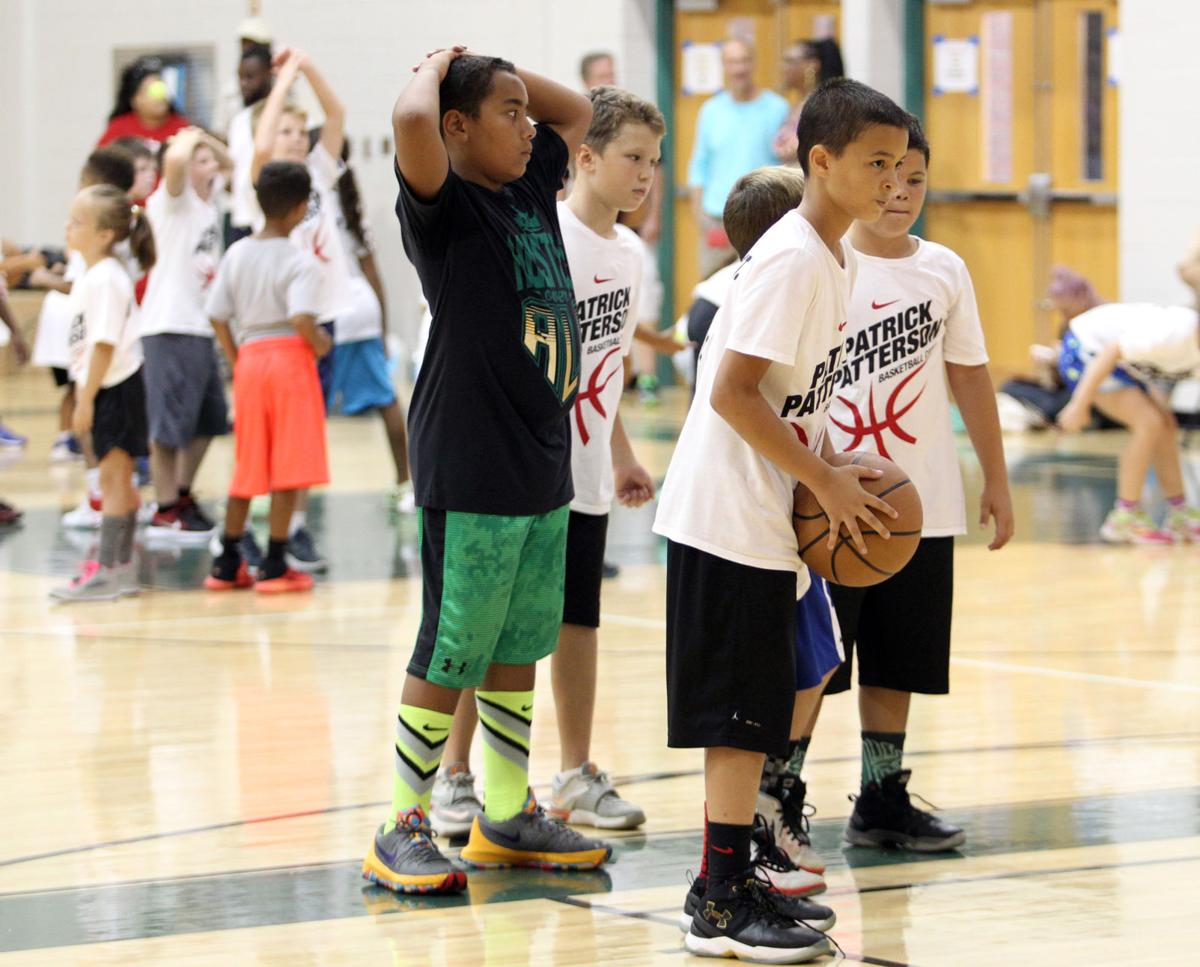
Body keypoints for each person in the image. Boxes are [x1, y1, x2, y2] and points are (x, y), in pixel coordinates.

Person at [653, 79, 910, 961]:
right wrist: (825, 485)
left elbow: (786, 398)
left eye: (899, 165)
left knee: (755, 711)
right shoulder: (796, 256)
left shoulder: (834, 259)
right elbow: (728, 393)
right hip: (726, 513)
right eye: (874, 163)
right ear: (821, 160)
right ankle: (718, 901)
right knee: (736, 719)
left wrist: (835, 463)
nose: (889, 180)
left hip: (763, 510)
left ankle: (729, 876)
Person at [360, 47, 605, 896]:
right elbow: (410, 121)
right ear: (458, 128)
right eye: (506, 113)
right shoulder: (446, 205)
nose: (526, 124)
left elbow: (578, 114)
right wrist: (440, 67)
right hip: (469, 455)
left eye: (519, 111)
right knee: (454, 642)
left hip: (543, 450)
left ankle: (505, 812)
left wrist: (502, 76)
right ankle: (403, 821)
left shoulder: (531, 186)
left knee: (519, 639)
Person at [773, 120, 1014, 865]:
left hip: (921, 504)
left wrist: (996, 478)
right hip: (831, 500)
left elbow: (970, 372)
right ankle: (778, 799)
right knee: (815, 662)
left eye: (915, 179)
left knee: (899, 659)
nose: (899, 192)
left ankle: (881, 797)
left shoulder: (943, 268)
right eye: (888, 175)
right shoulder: (821, 262)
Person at [428, 86, 664, 838]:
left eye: (655, 162)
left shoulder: (631, 256)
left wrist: (621, 453)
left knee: (576, 625)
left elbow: (605, 365)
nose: (645, 175)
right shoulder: (541, 231)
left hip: (584, 469)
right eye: (632, 157)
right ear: (584, 157)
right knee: (488, 632)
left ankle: (574, 771)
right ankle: (456, 775)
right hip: (515, 467)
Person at [204, 161, 330, 593]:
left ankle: (226, 561)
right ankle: (275, 565)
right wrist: (319, 343)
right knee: (289, 466)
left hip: (251, 359)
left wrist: (238, 355)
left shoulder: (237, 252)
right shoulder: (300, 261)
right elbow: (299, 316)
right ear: (300, 209)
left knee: (248, 462)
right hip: (290, 360)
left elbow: (217, 315)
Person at [251, 46, 351, 573]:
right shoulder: (264, 184)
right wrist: (282, 81)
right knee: (278, 432)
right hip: (280, 326)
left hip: (322, 312)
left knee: (308, 430)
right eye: (285, 132)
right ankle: (273, 523)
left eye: (298, 131)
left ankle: (296, 527)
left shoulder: (317, 173)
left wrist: (308, 65)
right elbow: (263, 141)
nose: (291, 139)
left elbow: (335, 115)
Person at [50, 186, 156, 601]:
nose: (67, 227)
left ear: (104, 234)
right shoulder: (93, 277)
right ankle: (121, 568)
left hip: (114, 388)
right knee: (118, 480)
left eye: (77, 221)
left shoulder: (106, 279)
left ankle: (110, 569)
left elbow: (105, 343)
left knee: (113, 481)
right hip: (109, 386)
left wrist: (87, 397)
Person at [140, 128, 232, 543]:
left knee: (211, 420)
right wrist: (187, 137)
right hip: (170, 325)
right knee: (169, 428)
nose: (211, 166)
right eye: (202, 160)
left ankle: (180, 495)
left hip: (198, 327)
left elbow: (231, 162)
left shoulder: (209, 206)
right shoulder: (170, 202)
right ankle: (164, 509)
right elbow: (174, 162)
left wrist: (203, 143)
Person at [1058, 302, 1200, 543]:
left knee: (1166, 426)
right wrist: (1079, 404)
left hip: (1121, 364)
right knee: (1149, 423)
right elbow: (1113, 350)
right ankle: (1124, 517)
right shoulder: (1176, 333)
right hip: (1087, 347)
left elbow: (1155, 371)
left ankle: (1179, 514)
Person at [329, 141, 413, 513]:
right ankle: (405, 483)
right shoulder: (351, 205)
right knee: (386, 401)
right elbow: (371, 271)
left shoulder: (310, 201)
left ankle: (282, 492)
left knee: (305, 411)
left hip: (329, 314)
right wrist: (380, 323)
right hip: (360, 310)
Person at [687, 38, 789, 277]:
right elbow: (699, 164)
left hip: (765, 217)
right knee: (713, 289)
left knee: (762, 285)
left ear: (753, 63)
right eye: (732, 62)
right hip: (717, 218)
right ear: (724, 66)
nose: (739, 68)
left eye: (744, 60)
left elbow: (785, 164)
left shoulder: (778, 108)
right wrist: (700, 217)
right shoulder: (711, 110)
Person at [227, 45, 275, 243]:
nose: (243, 84)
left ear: (268, 75)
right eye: (240, 77)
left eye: (250, 77)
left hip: (268, 216)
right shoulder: (239, 121)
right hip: (241, 217)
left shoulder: (286, 118)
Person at [774, 38, 844, 165]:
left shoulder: (825, 106)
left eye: (790, 61)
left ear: (812, 65)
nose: (783, 67)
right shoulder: (796, 105)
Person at [98, 58, 189, 148]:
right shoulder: (119, 129)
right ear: (134, 99)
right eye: (149, 91)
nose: (158, 97)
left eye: (159, 89)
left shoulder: (183, 130)